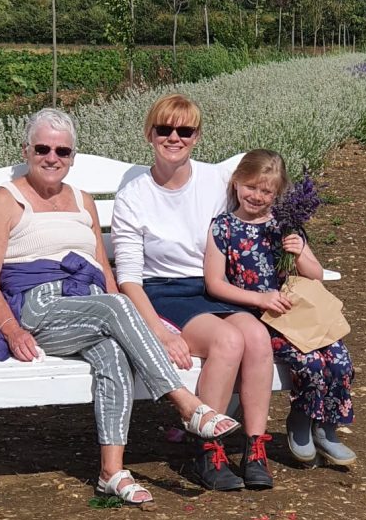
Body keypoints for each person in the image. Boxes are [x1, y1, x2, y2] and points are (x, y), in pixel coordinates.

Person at [0, 107, 239, 506]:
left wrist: (135, 321)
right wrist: (11, 329)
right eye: (43, 148)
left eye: (62, 151)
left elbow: (106, 274)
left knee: (112, 353)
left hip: (90, 305)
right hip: (40, 308)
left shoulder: (83, 201)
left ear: (73, 157)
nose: (52, 158)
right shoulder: (7, 200)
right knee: (113, 308)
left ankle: (111, 472)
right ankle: (186, 405)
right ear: (26, 150)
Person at [111, 95, 275, 491]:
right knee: (229, 340)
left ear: (197, 136)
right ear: (150, 134)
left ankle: (255, 447)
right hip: (163, 293)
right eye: (164, 129)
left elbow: (259, 201)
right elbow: (129, 278)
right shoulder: (135, 195)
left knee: (257, 336)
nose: (174, 137)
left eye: (184, 131)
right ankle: (208, 449)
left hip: (213, 286)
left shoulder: (215, 181)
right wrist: (160, 333)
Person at [204, 150, 356, 468]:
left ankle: (326, 428)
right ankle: (300, 421)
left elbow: (314, 274)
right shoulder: (224, 228)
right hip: (260, 319)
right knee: (310, 363)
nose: (256, 196)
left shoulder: (285, 227)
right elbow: (214, 284)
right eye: (251, 187)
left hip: (297, 316)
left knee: (341, 361)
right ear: (236, 183)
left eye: (266, 191)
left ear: (278, 193)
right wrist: (259, 298)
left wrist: (300, 253)